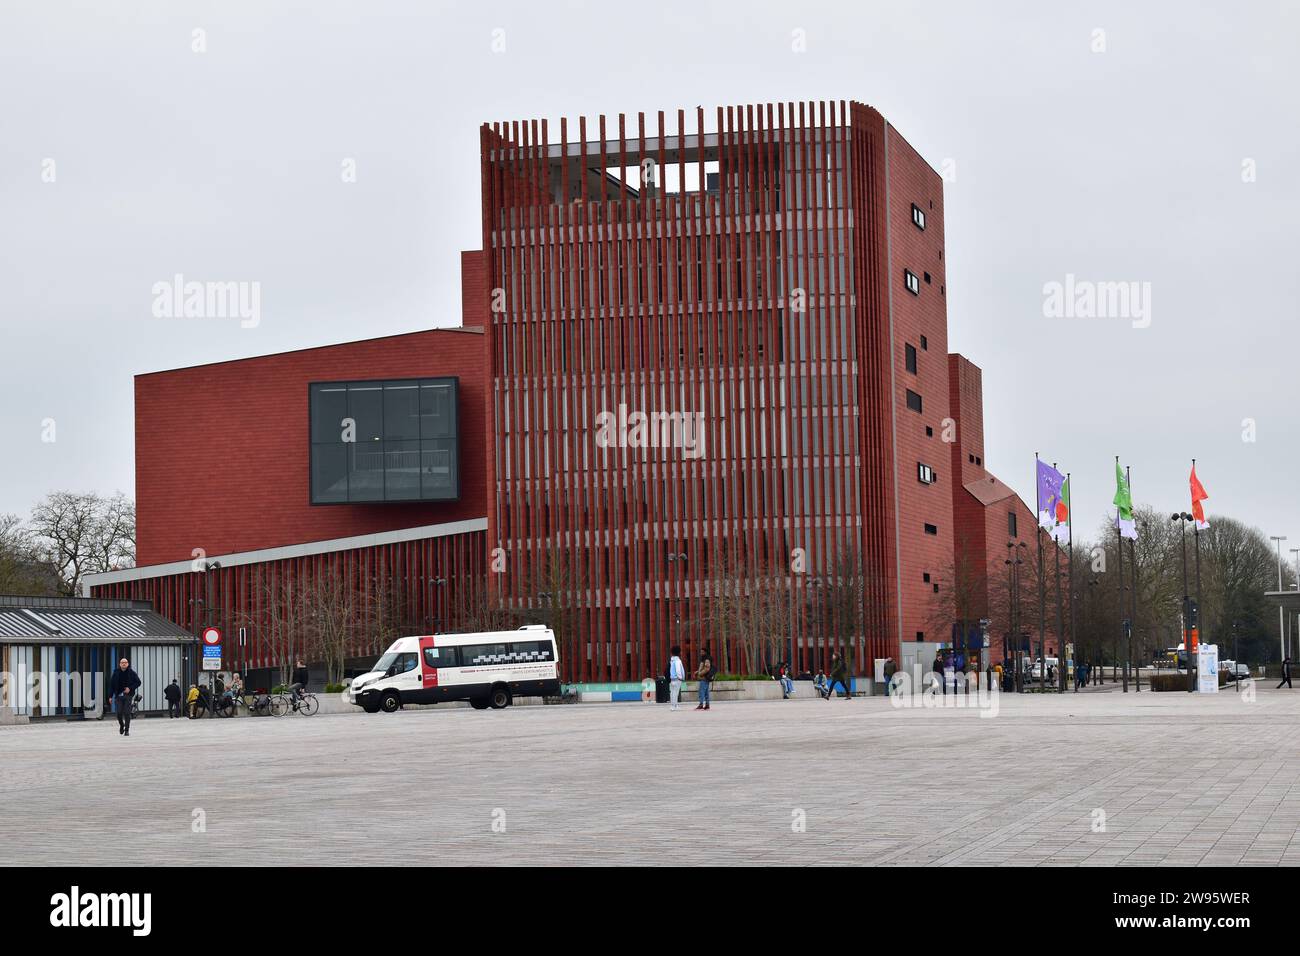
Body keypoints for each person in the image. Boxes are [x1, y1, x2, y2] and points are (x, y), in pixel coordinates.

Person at [108, 657, 141, 736]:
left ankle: (127, 730)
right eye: (122, 662)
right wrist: (110, 696)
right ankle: (122, 725)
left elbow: (138, 682)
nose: (124, 664)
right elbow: (112, 685)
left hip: (128, 696)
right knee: (119, 713)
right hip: (118, 696)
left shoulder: (131, 672)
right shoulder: (116, 672)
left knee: (127, 713)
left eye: (125, 662)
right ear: (120, 664)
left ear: (128, 664)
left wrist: (130, 688)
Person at [668, 645, 685, 710]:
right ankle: (674, 706)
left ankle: (673, 705)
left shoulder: (672, 660)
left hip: (672, 679)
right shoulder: (677, 660)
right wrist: (680, 677)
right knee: (676, 693)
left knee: (672, 692)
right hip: (677, 679)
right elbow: (678, 670)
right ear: (679, 652)